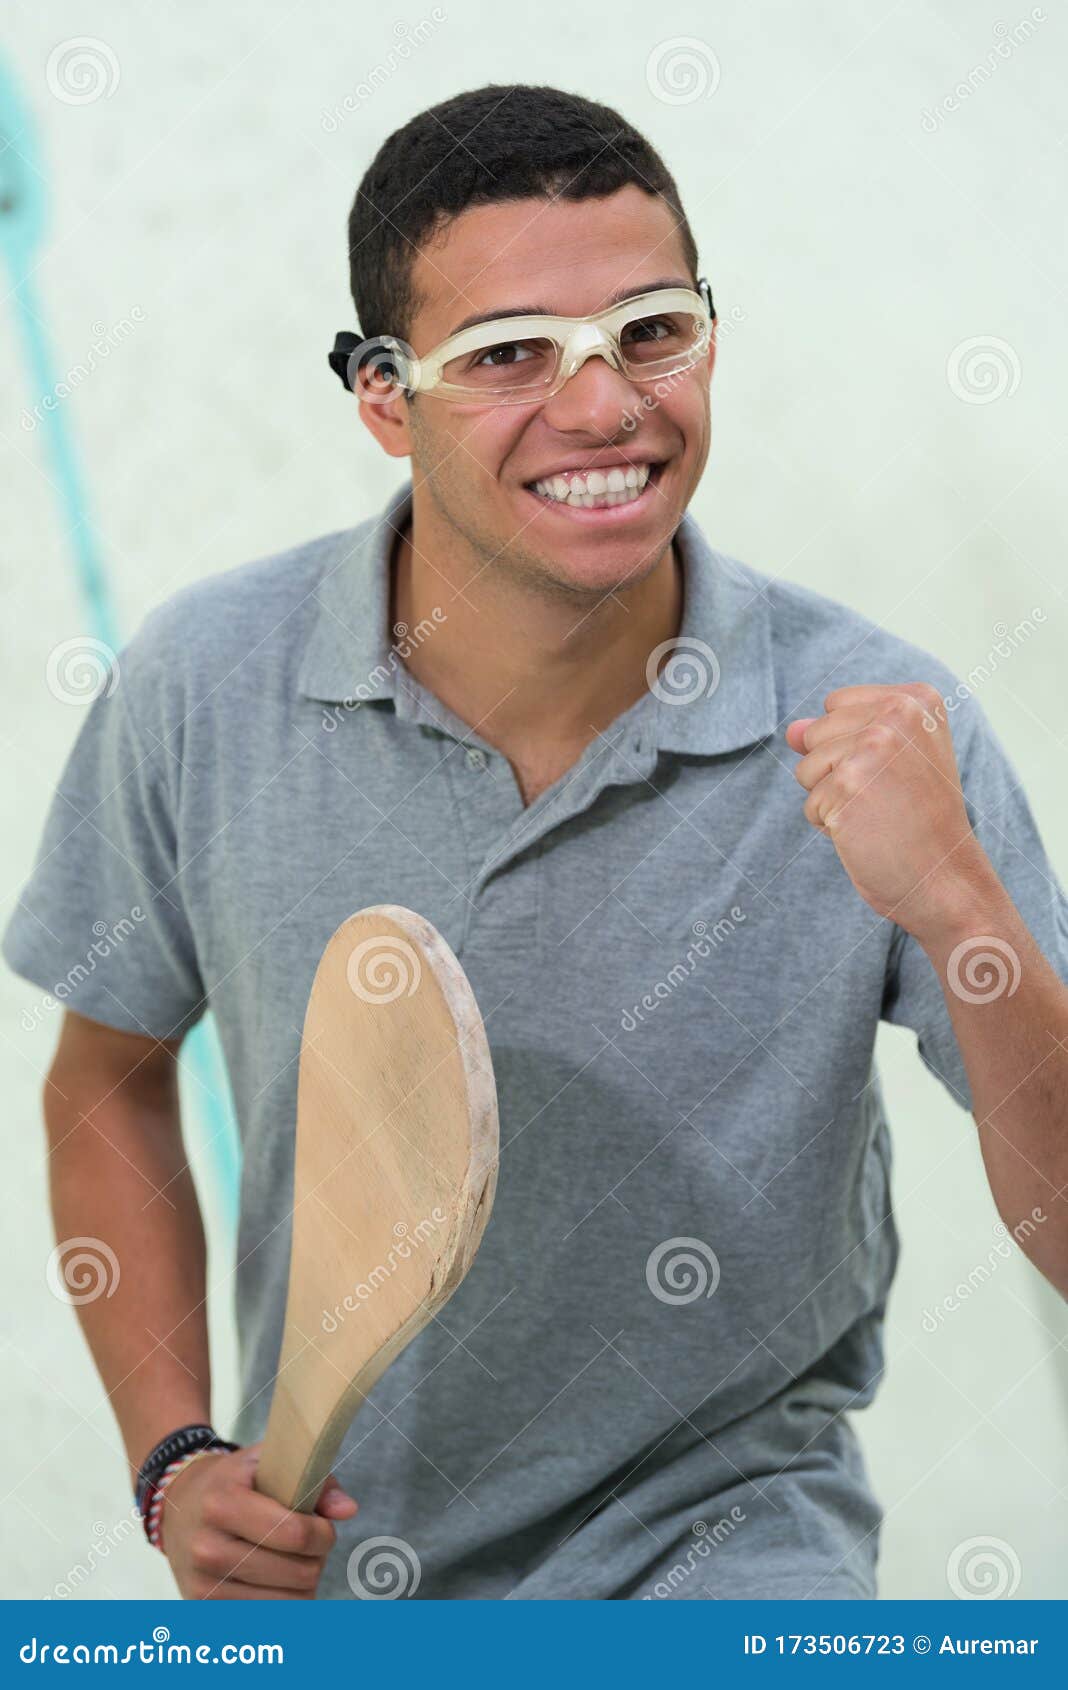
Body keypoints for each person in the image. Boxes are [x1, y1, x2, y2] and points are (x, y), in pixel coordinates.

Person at [5, 82, 1068, 1602]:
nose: (605, 407)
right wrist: (176, 1456)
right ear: (384, 397)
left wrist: (963, 903)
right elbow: (104, 1079)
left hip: (731, 1553)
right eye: (511, 355)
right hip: (334, 1572)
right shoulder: (203, 685)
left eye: (653, 330)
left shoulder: (887, 725)